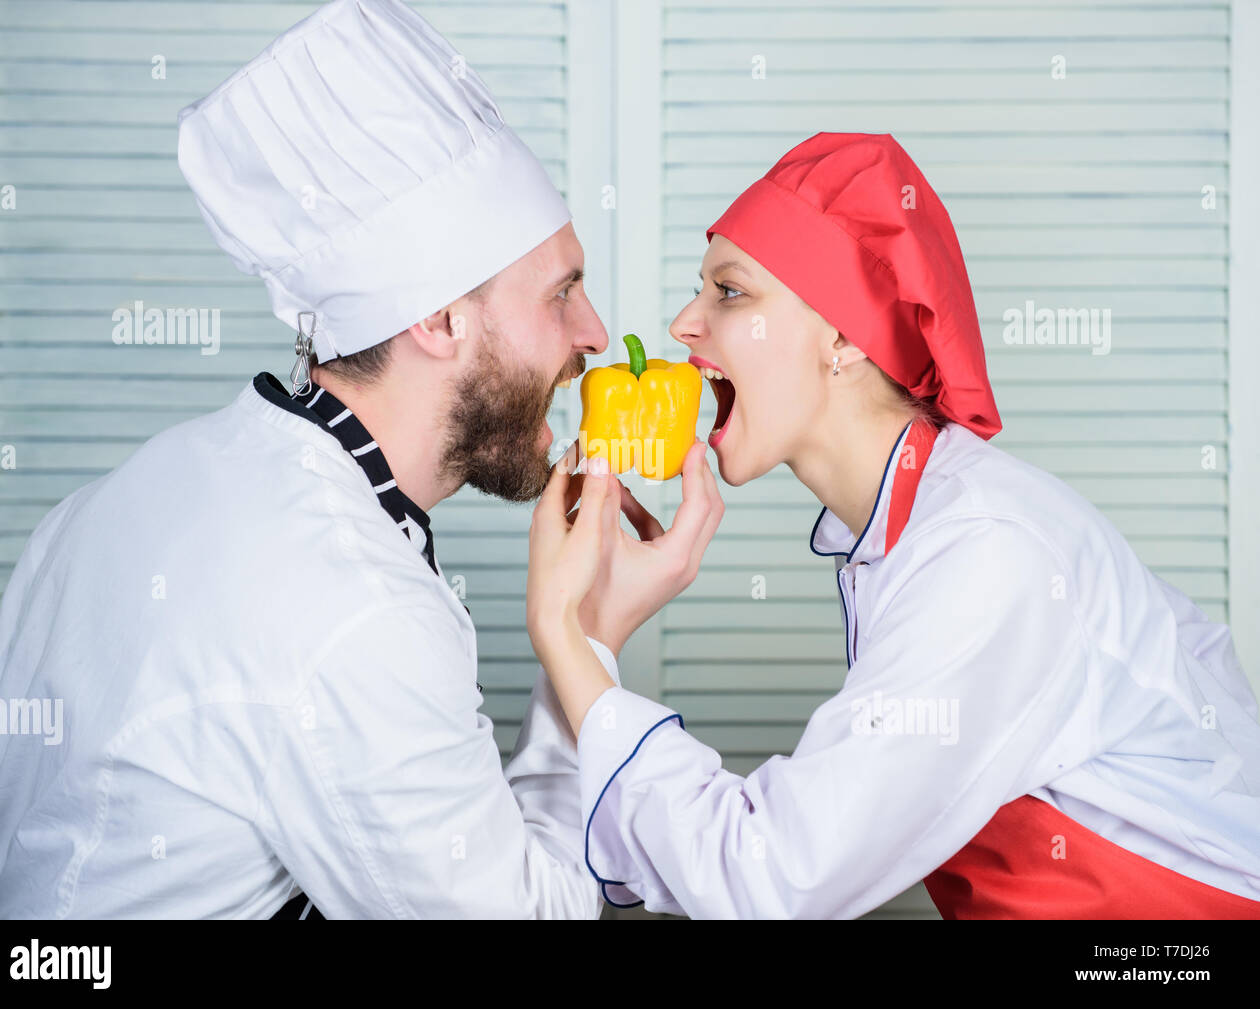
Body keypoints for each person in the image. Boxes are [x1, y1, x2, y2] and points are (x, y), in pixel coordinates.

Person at [0, 0, 708, 920]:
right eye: (561, 292)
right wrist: (583, 633)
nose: (594, 332)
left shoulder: (117, 497)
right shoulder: (357, 609)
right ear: (438, 318)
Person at [526, 132, 1260, 919]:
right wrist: (595, 631)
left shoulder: (989, 556)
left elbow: (767, 881)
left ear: (844, 336)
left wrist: (565, 632)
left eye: (729, 292)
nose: (683, 324)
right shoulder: (909, 534)